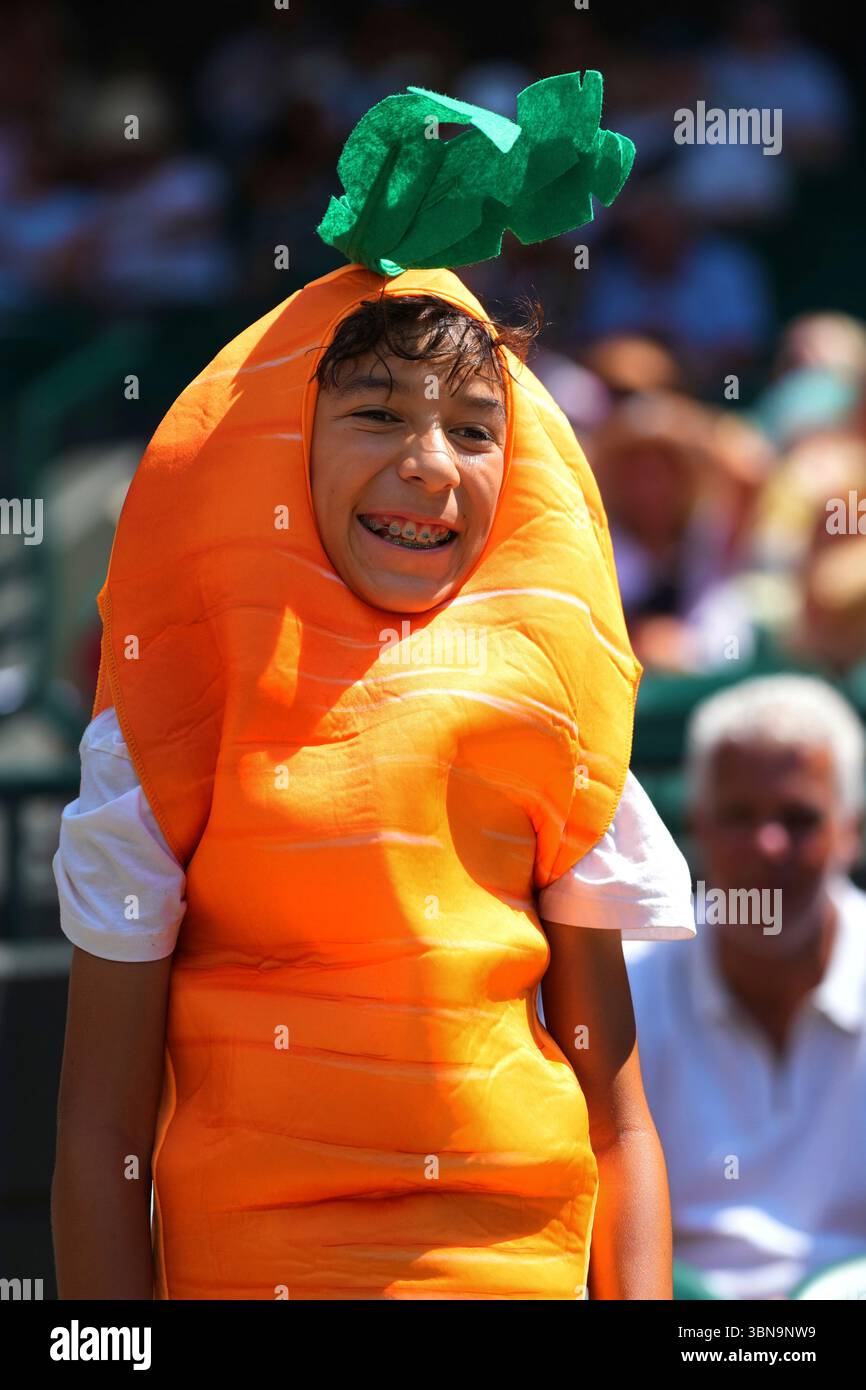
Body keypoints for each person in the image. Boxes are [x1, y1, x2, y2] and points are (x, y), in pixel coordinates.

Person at [51, 73, 695, 1301]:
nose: (427, 466)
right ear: (274, 449)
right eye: (374, 411)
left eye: (471, 424)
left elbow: (620, 1128)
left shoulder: (558, 710)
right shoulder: (175, 711)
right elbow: (100, 1140)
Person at [624, 674, 866, 1299]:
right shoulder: (622, 987)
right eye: (739, 817)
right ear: (697, 827)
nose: (768, 846)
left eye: (799, 818)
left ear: (851, 832)